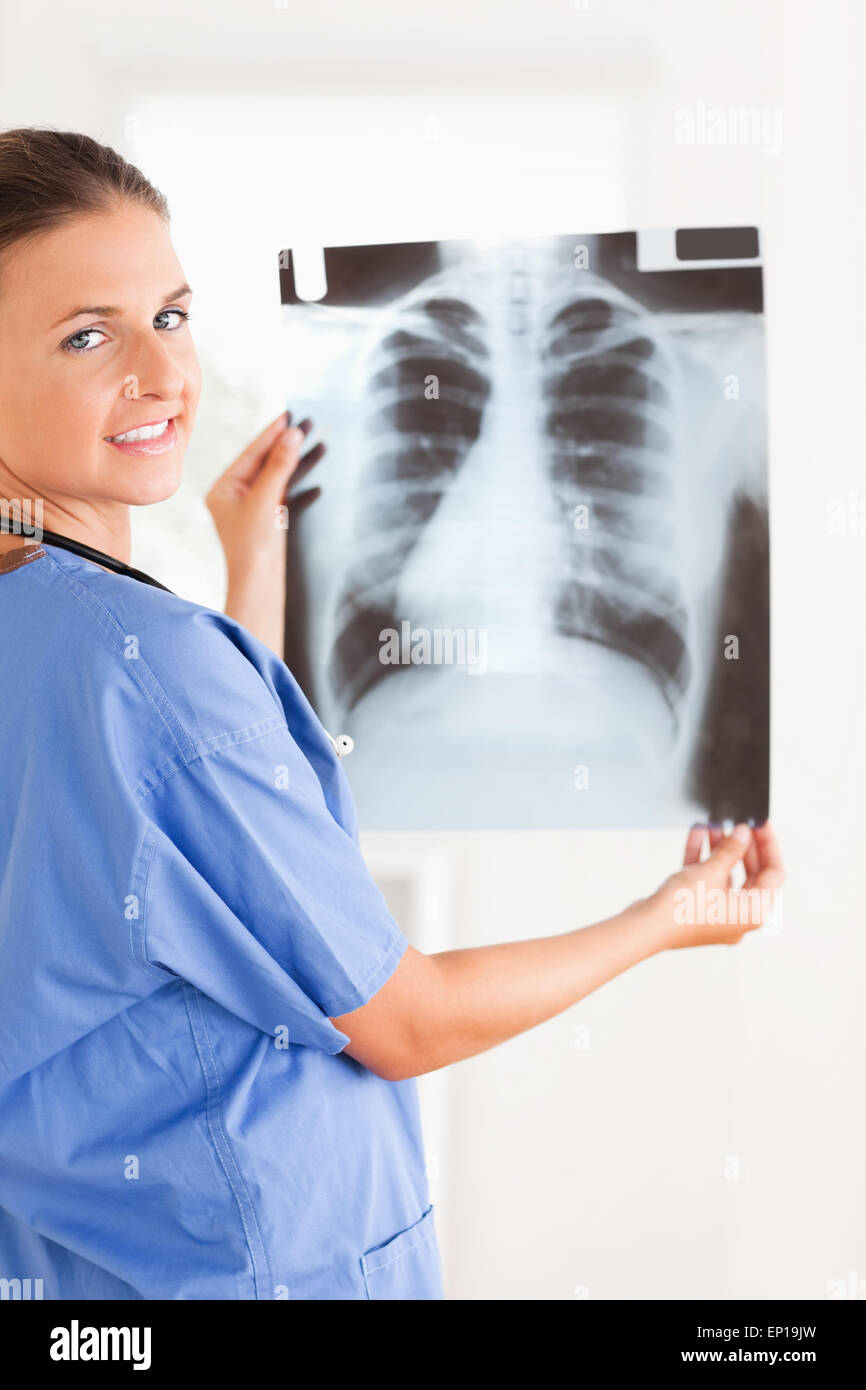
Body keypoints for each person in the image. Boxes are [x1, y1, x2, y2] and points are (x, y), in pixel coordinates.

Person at [0, 127, 785, 1301]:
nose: (164, 377)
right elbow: (404, 1020)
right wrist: (668, 916)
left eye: (169, 314)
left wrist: (250, 566)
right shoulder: (147, 665)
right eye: (87, 335)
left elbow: (183, 827)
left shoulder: (73, 638)